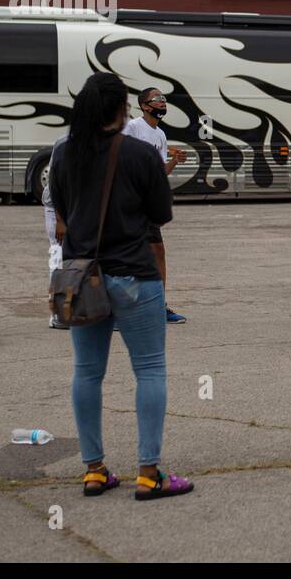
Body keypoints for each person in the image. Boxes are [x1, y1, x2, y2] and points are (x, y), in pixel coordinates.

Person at [49, 72, 193, 501]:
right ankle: (149, 474)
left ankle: (94, 470)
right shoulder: (138, 153)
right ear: (120, 109)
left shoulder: (63, 155)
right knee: (149, 369)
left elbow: (61, 213)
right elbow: (161, 214)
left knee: (87, 373)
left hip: (82, 279)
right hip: (134, 275)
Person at [123, 87, 188, 323]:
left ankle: (159, 305)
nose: (163, 103)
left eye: (164, 99)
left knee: (157, 251)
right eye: (158, 99)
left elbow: (159, 172)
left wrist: (173, 161)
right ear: (144, 105)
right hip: (131, 201)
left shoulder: (160, 134)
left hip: (147, 202)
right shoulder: (133, 128)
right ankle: (125, 310)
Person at [43, 136, 69, 329]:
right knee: (57, 255)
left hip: (74, 206)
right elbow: (55, 181)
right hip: (56, 207)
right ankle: (56, 313)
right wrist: (60, 220)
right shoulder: (64, 143)